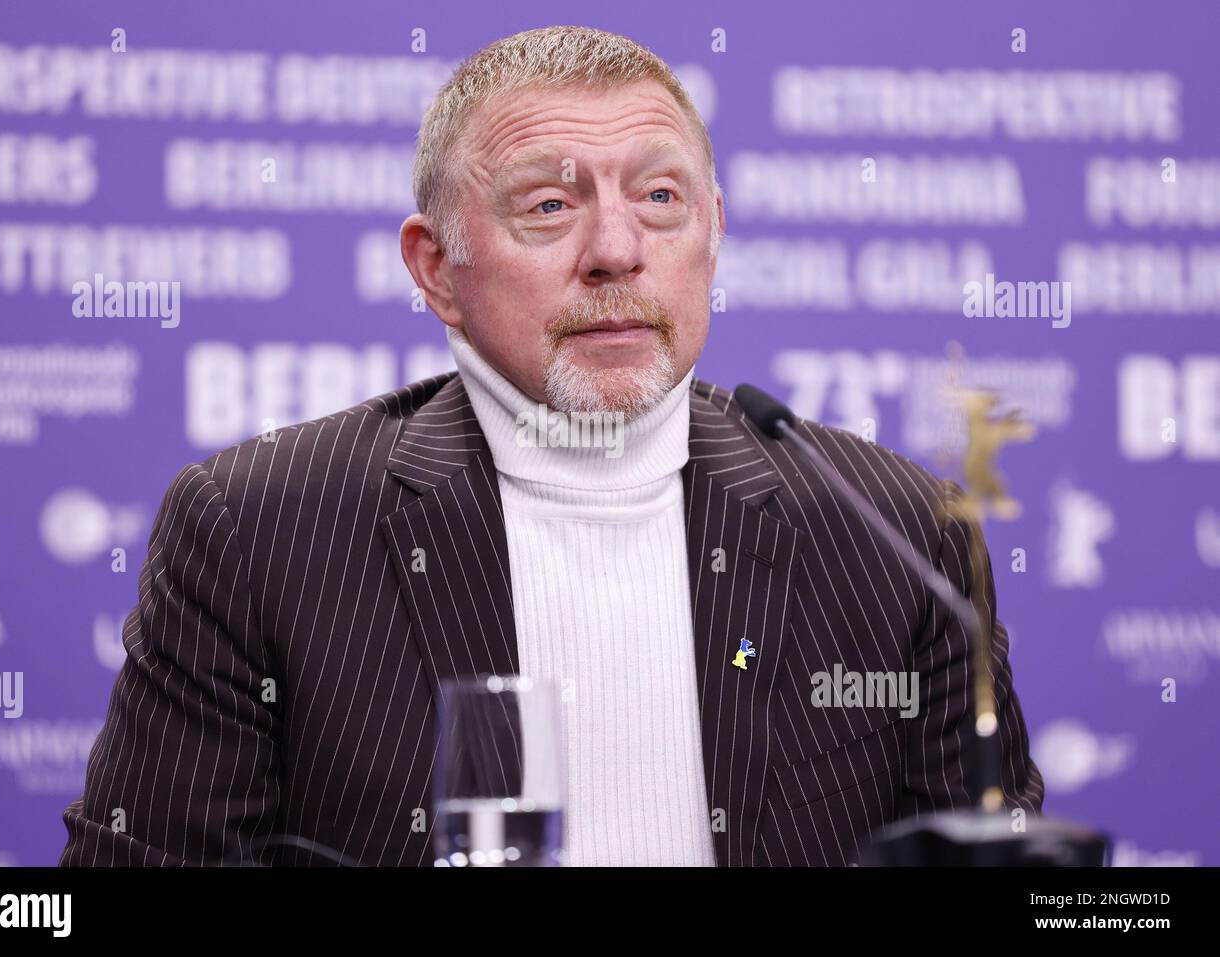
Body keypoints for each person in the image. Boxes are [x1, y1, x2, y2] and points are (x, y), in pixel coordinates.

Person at [59, 25, 1043, 868]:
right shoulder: (261, 530)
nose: (616, 250)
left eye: (660, 198)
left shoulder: (893, 534)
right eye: (548, 206)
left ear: (715, 234)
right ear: (436, 269)